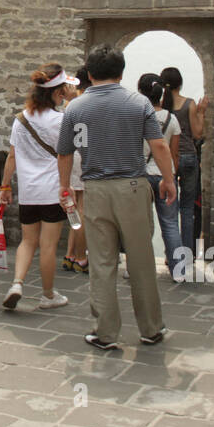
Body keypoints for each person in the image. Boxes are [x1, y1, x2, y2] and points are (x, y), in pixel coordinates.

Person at [57, 45, 176, 351]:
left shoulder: (75, 108)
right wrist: (168, 180)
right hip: (133, 187)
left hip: (95, 189)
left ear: (90, 73)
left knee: (101, 262)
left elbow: (65, 153)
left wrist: (64, 188)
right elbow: (159, 146)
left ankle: (105, 332)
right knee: (141, 260)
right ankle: (151, 329)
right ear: (122, 72)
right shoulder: (139, 104)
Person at [0, 63, 75, 311]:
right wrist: (66, 188)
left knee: (27, 241)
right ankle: (48, 295)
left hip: (28, 192)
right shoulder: (61, 120)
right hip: (52, 191)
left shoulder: (20, 120)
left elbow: (12, 156)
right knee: (48, 245)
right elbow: (65, 156)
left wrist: (5, 187)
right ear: (58, 92)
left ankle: (17, 284)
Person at [139, 73, 186, 280]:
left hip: (141, 176)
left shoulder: (137, 116)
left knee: (140, 224)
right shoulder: (171, 118)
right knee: (170, 223)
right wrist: (173, 177)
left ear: (141, 92)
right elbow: (173, 153)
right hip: (164, 176)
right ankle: (178, 270)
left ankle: (137, 268)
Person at [160, 66, 209, 262]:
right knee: (187, 210)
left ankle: (170, 255)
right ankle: (187, 255)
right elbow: (198, 134)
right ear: (180, 83)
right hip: (188, 158)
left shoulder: (162, 106)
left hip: (169, 160)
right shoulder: (189, 104)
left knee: (168, 211)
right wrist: (201, 113)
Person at [62, 68, 90, 275]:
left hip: (72, 156)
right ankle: (81, 257)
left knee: (73, 208)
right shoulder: (90, 102)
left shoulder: (70, 105)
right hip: (85, 156)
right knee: (82, 210)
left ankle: (70, 254)